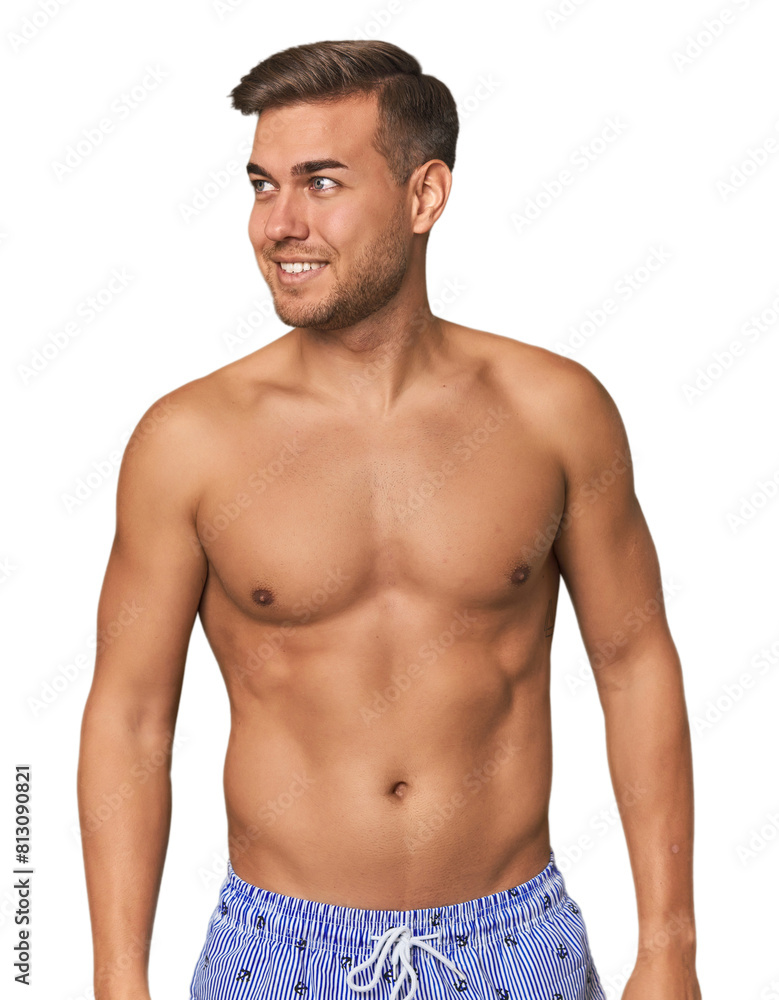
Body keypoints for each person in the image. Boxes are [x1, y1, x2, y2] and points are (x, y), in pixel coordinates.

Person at [77, 39, 701, 1000]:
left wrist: (668, 946)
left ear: (424, 196)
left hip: (512, 941)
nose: (278, 224)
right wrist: (117, 979)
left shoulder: (554, 412)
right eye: (261, 186)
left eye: (319, 183)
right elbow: (129, 718)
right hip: (278, 950)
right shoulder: (189, 441)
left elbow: (633, 664)